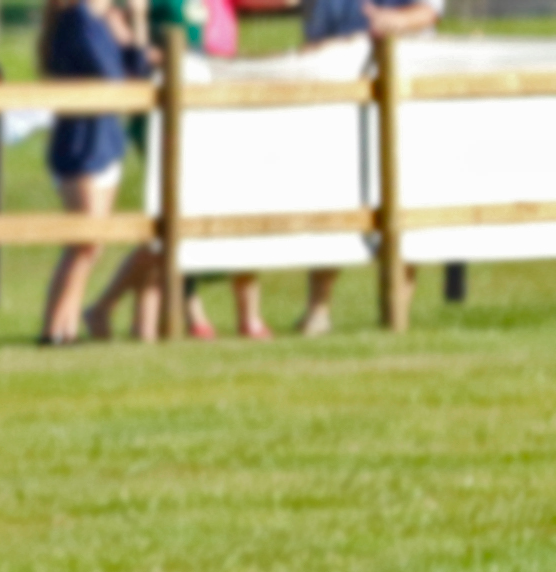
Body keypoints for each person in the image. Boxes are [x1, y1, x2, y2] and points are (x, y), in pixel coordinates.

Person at [83, 0, 268, 341]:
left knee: (195, 213)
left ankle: (138, 319)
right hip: (158, 108)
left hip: (198, 102)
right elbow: (116, 27)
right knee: (171, 216)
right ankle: (112, 307)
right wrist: (151, 52)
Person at [294, 0, 441, 335]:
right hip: (343, 97)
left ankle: (396, 313)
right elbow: (315, 37)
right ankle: (318, 309)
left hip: (406, 94)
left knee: (404, 206)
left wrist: (394, 20)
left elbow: (428, 12)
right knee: (335, 201)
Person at [38, 0, 149, 345]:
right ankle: (53, 329)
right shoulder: (77, 20)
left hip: (106, 142)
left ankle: (67, 327)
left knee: (93, 245)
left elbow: (138, 71)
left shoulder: (100, 20)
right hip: (80, 146)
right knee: (84, 241)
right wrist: (118, 34)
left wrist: (137, 23)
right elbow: (112, 76)